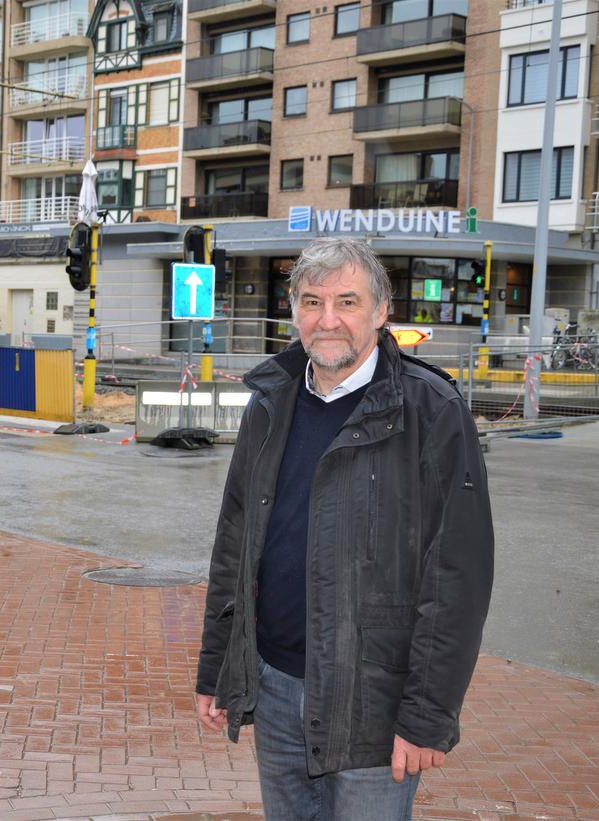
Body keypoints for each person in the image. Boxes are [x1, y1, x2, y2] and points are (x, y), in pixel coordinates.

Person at [195, 238, 493, 821]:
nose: (327, 320)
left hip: (373, 704)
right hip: (276, 687)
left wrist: (428, 715)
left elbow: (457, 576)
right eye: (312, 302)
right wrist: (217, 670)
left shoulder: (432, 411)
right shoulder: (269, 404)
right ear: (293, 309)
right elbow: (236, 544)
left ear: (381, 313)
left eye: (348, 302)